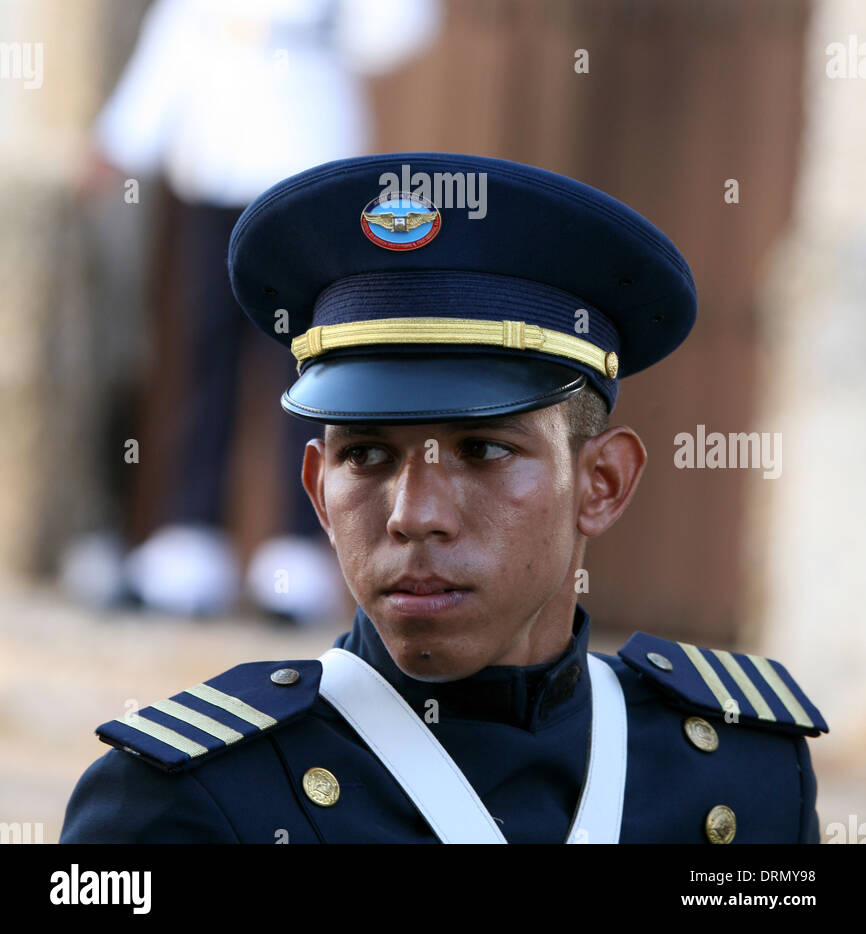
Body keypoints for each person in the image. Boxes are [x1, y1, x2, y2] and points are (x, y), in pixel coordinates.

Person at [60, 152, 826, 844]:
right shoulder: (191, 802)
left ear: (602, 484)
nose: (413, 513)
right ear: (319, 495)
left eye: (484, 449)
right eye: (365, 455)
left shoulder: (742, 781)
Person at [73, 0, 442, 619]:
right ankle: (187, 540)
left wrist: (310, 16)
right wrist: (125, 131)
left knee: (305, 355)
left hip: (301, 139)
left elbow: (398, 16)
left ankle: (294, 550)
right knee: (201, 343)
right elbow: (178, 19)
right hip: (213, 139)